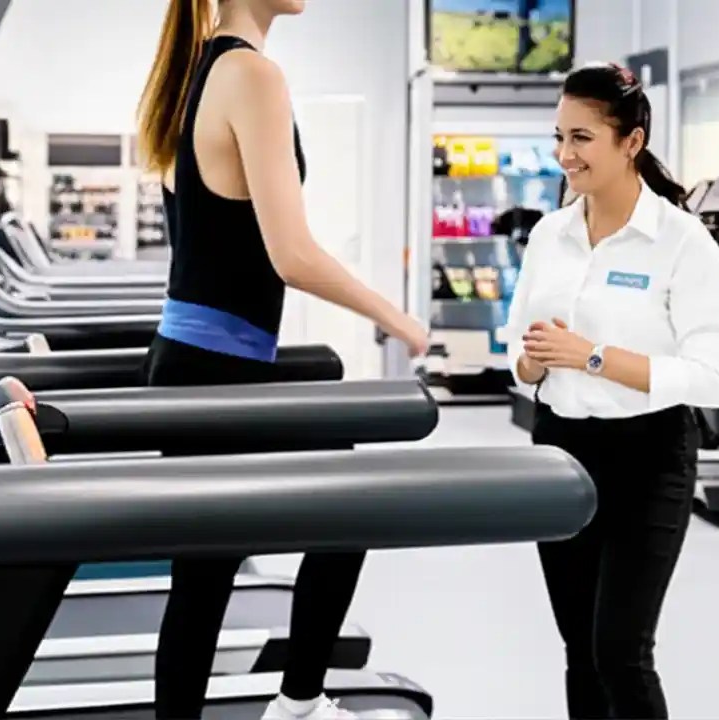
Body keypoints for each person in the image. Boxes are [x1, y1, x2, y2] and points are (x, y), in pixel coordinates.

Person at [134, 0, 429, 718]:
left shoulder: (196, 68)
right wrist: (398, 319)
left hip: (194, 363)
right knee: (353, 497)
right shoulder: (252, 75)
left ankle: (288, 702)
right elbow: (290, 254)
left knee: (201, 581)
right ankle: (300, 702)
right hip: (216, 374)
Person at [504, 62, 719, 719]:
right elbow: (516, 351)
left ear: (630, 142)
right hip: (559, 454)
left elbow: (714, 376)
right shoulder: (550, 235)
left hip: (649, 454)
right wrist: (532, 363)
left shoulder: (682, 242)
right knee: (579, 647)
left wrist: (593, 357)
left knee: (619, 650)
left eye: (581, 138)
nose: (563, 155)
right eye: (558, 136)